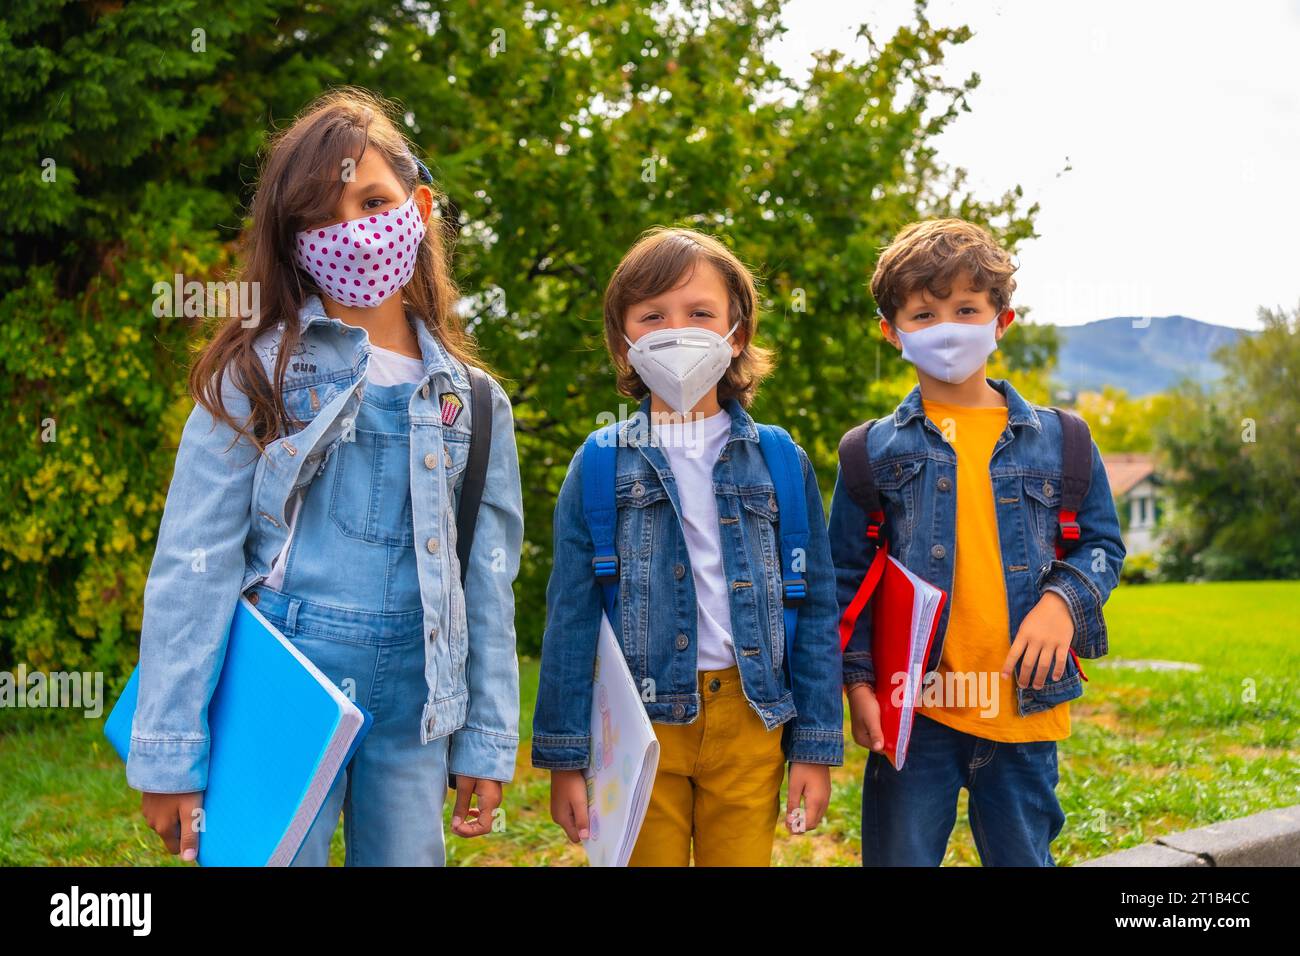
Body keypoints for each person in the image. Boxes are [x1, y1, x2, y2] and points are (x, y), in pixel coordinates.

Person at [128, 88, 523, 866]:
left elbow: (489, 577)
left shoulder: (473, 401)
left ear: (420, 207)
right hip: (280, 690)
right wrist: (170, 752)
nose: (354, 231)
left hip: (416, 697)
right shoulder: (256, 371)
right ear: (292, 238)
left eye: (374, 200)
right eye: (321, 214)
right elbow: (191, 563)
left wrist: (486, 737)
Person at [532, 226, 843, 866]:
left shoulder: (781, 460)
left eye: (699, 313)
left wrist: (814, 743)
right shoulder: (599, 464)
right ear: (624, 341)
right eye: (653, 316)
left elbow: (813, 606)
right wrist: (565, 758)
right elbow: (570, 614)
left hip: (753, 722)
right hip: (639, 730)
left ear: (738, 334)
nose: (677, 330)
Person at [829, 217, 1125, 866]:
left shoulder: (1064, 440)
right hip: (917, 714)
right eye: (924, 313)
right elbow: (844, 585)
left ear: (1002, 320)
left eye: (966, 308)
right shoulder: (868, 453)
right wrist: (857, 688)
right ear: (892, 331)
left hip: (1023, 711)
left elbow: (1102, 547)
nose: (946, 327)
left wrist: (1061, 604)